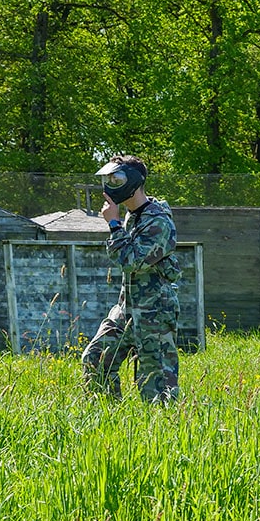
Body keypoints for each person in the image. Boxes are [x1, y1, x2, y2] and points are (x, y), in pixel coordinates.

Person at [81, 154, 182, 404]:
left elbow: (131, 261)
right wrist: (117, 222)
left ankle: (163, 435)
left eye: (116, 179)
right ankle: (108, 421)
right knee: (95, 360)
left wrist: (114, 225)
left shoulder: (159, 221)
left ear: (133, 182)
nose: (109, 185)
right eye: (108, 179)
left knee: (155, 386)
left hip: (154, 312)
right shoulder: (132, 216)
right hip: (126, 309)